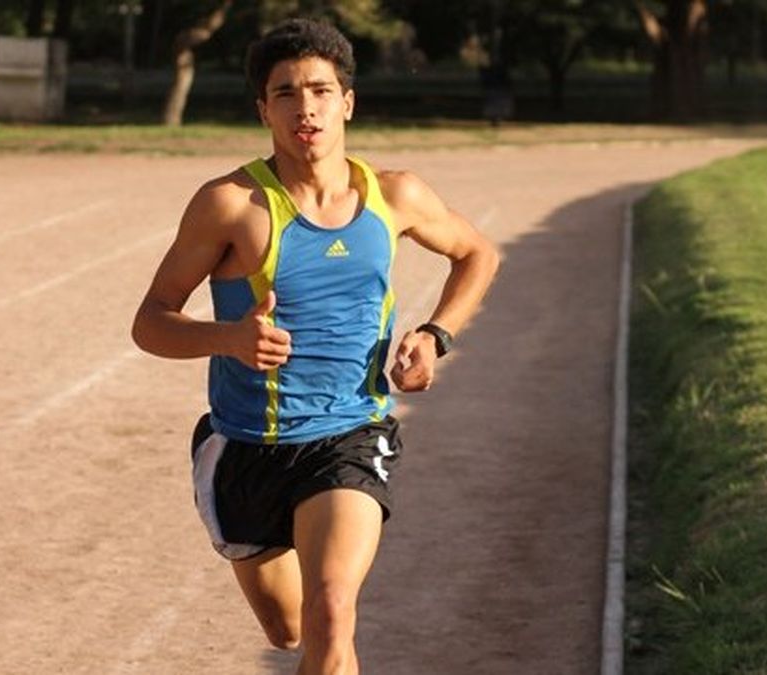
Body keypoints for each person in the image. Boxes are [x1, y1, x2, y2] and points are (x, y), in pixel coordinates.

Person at [131, 18, 500, 675]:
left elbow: (477, 253)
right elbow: (151, 321)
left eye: (321, 91)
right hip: (246, 447)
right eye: (287, 94)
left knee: (332, 612)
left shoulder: (394, 195)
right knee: (290, 629)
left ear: (347, 102)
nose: (306, 108)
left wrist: (434, 336)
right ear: (263, 110)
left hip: (349, 434)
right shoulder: (230, 205)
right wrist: (229, 339)